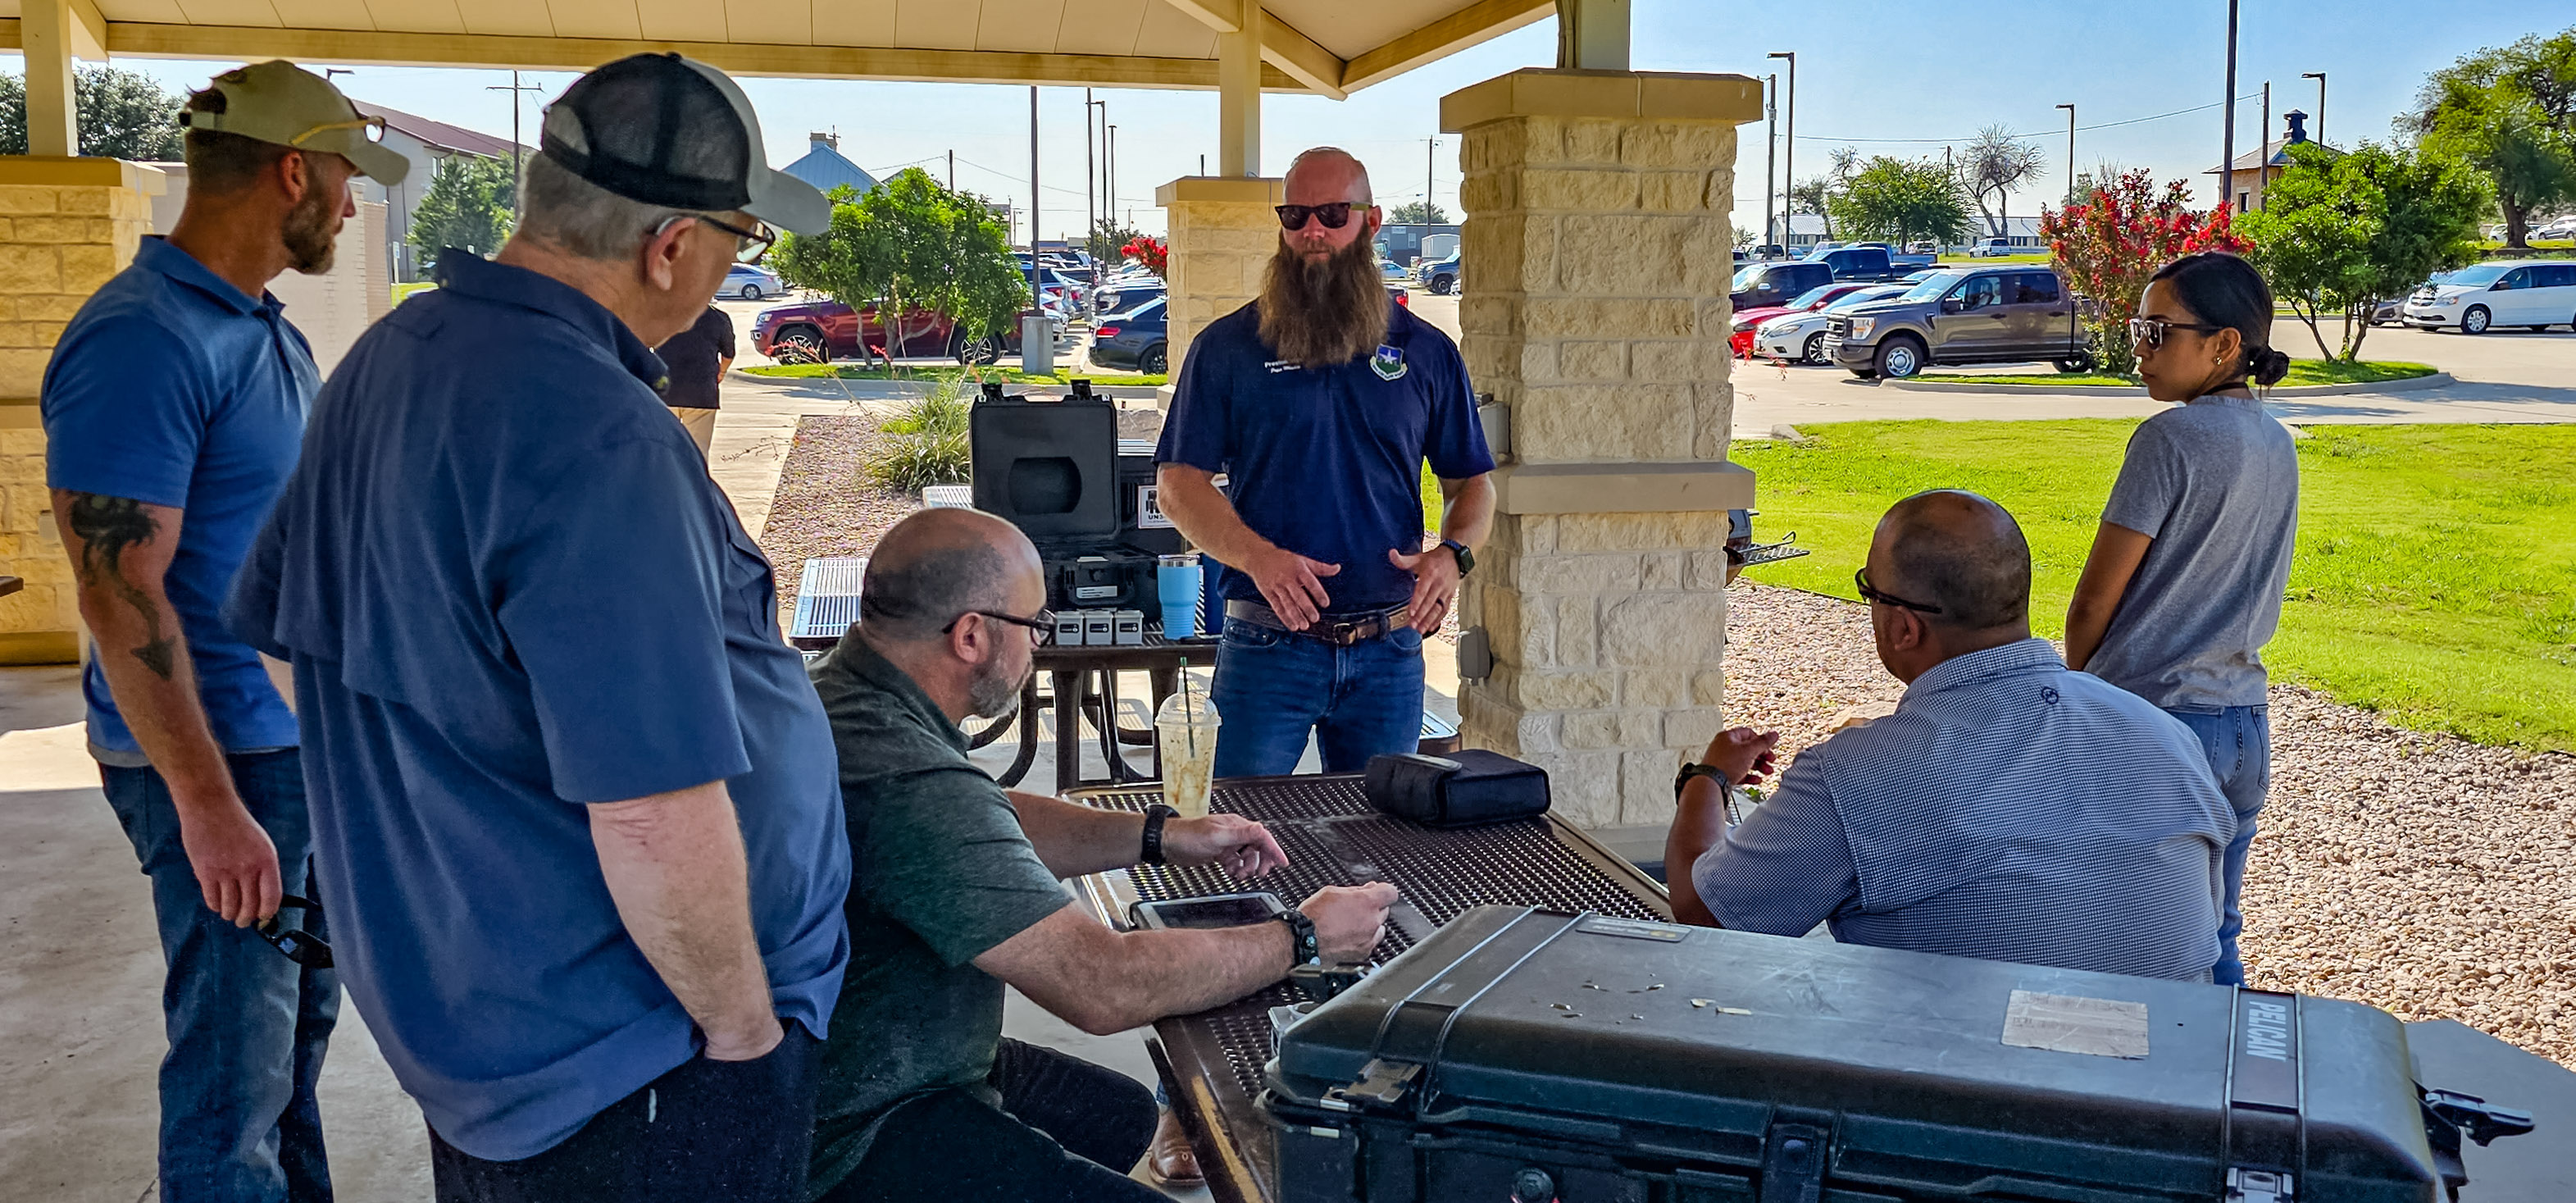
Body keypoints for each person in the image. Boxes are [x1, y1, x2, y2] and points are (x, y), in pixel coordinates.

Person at [225, 53, 846, 1201]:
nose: (725, 277)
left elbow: (288, 648)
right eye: (736, 243)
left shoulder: (385, 363)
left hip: (486, 1028)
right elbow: (655, 808)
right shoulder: (600, 433)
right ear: (670, 245)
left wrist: (462, 829)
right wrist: (747, 1035)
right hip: (637, 1063)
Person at [41, 61, 404, 1202]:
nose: (351, 206)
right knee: (229, 1082)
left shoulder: (257, 327)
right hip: (220, 762)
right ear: (294, 169)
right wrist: (208, 806)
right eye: (345, 179)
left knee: (286, 1057)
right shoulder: (142, 340)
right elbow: (117, 590)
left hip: (285, 747)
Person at [806, 508, 1398, 1203]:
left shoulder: (850, 695)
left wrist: (1159, 833)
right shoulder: (905, 777)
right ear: (971, 635)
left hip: (874, 1055)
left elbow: (984, 815)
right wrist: (1302, 935)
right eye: (1036, 627)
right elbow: (1101, 983)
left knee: (1118, 1118)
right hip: (861, 1129)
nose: (1040, 648)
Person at [1665, 490, 2237, 983]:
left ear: (1903, 625)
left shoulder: (1855, 775)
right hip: (2177, 1081)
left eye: (1870, 590)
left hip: (1968, 1096)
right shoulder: (2170, 739)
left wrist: (1708, 779)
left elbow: (1706, 917)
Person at [1154, 146, 1496, 779]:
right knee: (1237, 839)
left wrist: (1454, 555)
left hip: (1389, 650)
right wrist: (1259, 557)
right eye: (1295, 214)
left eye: (1333, 213)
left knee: (1381, 848)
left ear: (1370, 222)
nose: (1312, 230)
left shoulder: (1425, 352)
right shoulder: (1228, 347)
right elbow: (1178, 484)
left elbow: (1471, 482)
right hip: (1266, 647)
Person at [2065, 252, 2299, 987]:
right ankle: (2219, 1090)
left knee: (2123, 939)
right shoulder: (2277, 442)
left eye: (2157, 330)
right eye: (2138, 328)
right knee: (2216, 935)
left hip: (2152, 718)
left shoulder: (2168, 440)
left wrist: (2080, 682)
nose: (2139, 347)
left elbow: (2094, 602)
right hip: (2242, 721)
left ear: (2225, 345)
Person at [658, 304, 735, 455]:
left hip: (664, 391)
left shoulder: (661, 314)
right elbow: (729, 353)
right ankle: (694, 478)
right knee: (698, 452)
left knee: (664, 450)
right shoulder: (718, 317)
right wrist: (722, 373)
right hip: (701, 392)